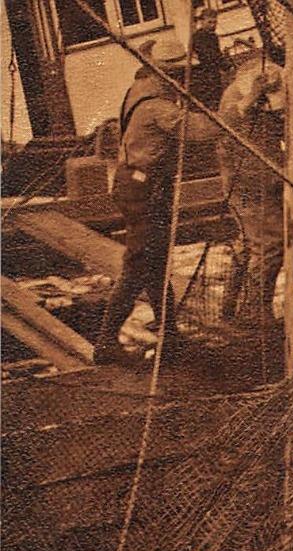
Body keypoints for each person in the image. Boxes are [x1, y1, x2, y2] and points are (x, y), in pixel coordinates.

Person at [95, 36, 222, 365]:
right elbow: (203, 131)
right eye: (178, 73)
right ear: (164, 73)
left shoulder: (140, 90)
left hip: (138, 185)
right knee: (139, 265)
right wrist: (238, 107)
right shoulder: (157, 108)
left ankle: (171, 335)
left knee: (155, 266)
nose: (182, 79)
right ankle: (106, 342)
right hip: (142, 191)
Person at [218, 60, 286, 324]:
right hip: (246, 186)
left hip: (258, 182)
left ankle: (230, 305)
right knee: (270, 244)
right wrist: (254, 95)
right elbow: (228, 123)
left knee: (248, 244)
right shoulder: (236, 102)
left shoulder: (261, 108)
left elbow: (273, 138)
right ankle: (254, 310)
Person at [190, 5, 230, 111]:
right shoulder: (198, 37)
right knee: (209, 99)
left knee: (218, 96)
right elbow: (207, 56)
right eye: (210, 22)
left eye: (215, 22)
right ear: (202, 22)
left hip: (214, 72)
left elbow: (216, 53)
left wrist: (223, 61)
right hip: (203, 74)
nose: (213, 25)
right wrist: (222, 62)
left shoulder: (213, 36)